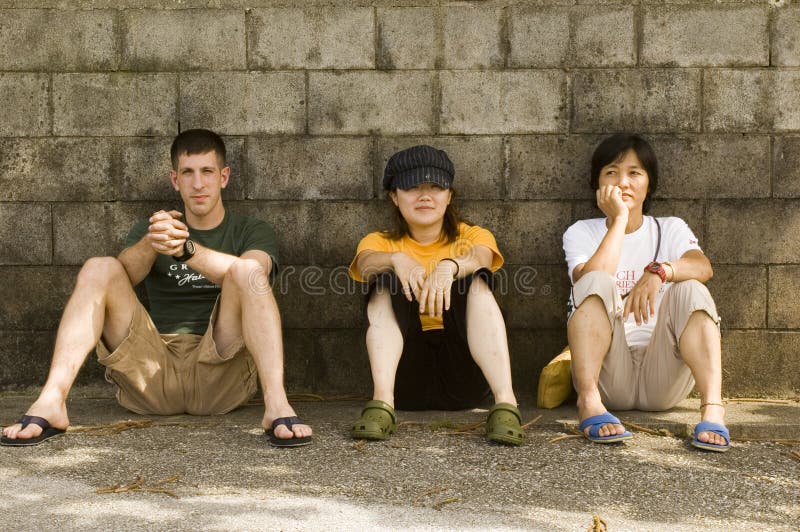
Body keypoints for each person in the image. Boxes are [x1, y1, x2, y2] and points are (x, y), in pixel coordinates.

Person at [1, 129, 312, 448]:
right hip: (150, 371)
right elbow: (119, 277)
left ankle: (277, 406)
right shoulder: (151, 231)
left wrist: (186, 251)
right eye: (188, 173)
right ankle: (51, 402)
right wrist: (152, 243)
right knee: (98, 267)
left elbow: (255, 274)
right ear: (175, 180)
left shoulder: (251, 230)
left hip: (220, 371)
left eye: (207, 171)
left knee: (246, 271)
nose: (198, 184)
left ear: (224, 177)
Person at [348, 145, 524, 446]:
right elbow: (365, 265)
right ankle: (381, 404)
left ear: (449, 195)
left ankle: (507, 403)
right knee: (384, 281)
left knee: (476, 280)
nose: (425, 196)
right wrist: (396, 259)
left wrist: (450, 266)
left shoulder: (472, 236)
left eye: (435, 187)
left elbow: (481, 257)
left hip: (464, 376)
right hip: (405, 380)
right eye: (412, 187)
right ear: (394, 197)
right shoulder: (379, 241)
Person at [563, 133, 729, 451]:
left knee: (692, 288)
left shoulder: (670, 228)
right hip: (609, 376)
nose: (623, 182)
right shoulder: (581, 232)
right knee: (594, 281)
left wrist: (659, 271)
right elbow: (592, 277)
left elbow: (702, 266)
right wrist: (619, 221)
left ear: (649, 183)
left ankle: (712, 409)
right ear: (597, 183)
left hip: (663, 376)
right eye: (612, 172)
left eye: (634, 173)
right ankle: (588, 402)